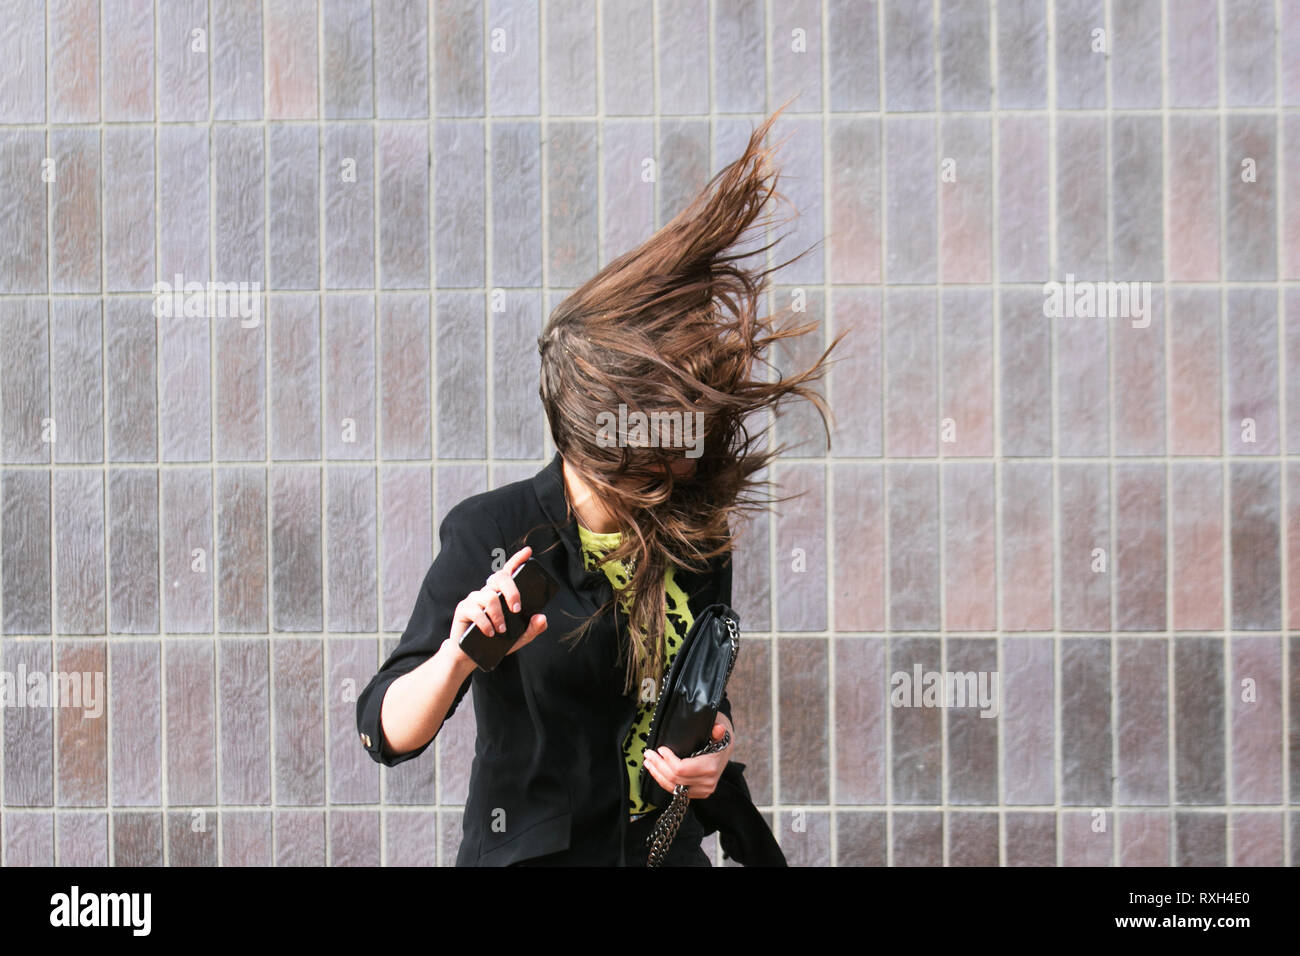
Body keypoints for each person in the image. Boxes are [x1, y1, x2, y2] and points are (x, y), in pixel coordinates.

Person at [356, 102, 840, 866]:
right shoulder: (493, 532)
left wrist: (709, 758)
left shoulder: (693, 534)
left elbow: (697, 695)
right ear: (590, 433)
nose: (669, 464)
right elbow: (385, 730)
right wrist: (460, 653)